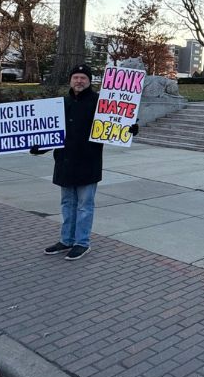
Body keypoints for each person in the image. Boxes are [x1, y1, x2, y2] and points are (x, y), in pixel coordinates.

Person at [32, 63, 137, 260]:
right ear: (70, 80)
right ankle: (66, 240)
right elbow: (52, 131)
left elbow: (117, 125)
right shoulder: (60, 104)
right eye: (76, 77)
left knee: (84, 205)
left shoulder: (101, 103)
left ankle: (82, 242)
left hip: (88, 162)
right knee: (67, 204)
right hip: (64, 161)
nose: (79, 81)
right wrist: (39, 147)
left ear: (89, 81)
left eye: (83, 78)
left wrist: (129, 129)